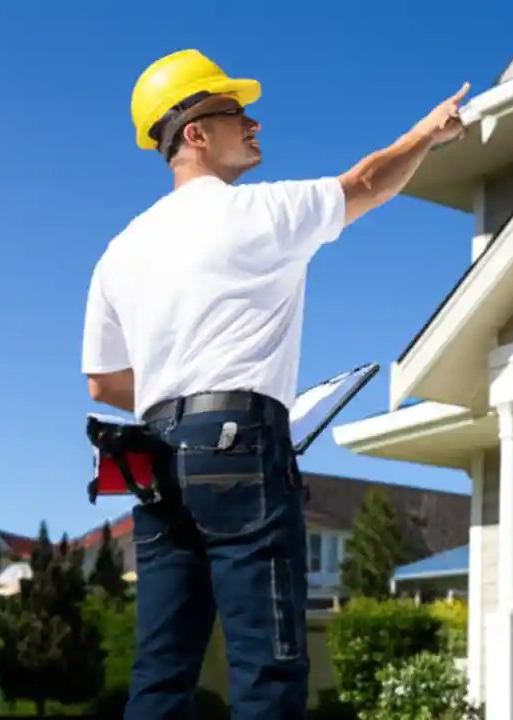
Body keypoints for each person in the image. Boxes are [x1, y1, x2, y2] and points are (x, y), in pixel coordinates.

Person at [80, 48, 467, 719]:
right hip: (241, 449)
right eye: (236, 113)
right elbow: (369, 183)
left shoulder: (119, 252)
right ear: (195, 134)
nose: (254, 123)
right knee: (268, 667)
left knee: (162, 673)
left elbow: (103, 384)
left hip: (152, 458)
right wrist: (427, 135)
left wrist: (183, 385)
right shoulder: (258, 212)